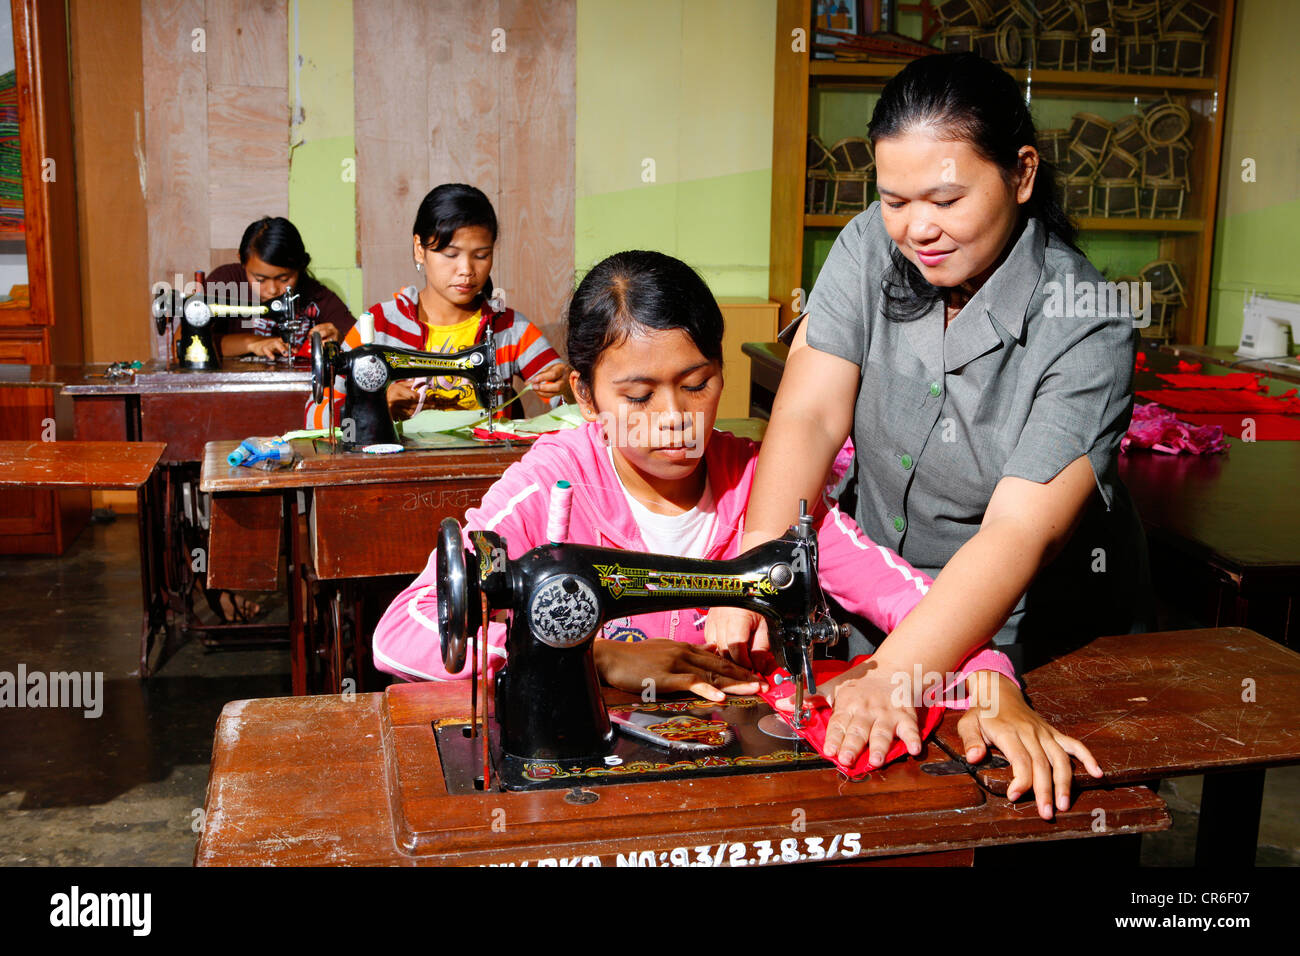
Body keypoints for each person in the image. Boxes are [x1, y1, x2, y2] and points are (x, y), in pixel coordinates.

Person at [370, 250, 1097, 809]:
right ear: (586, 395)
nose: (675, 418)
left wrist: (993, 684)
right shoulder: (550, 487)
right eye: (636, 394)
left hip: (741, 801)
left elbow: (921, 606)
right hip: (586, 800)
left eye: (697, 383)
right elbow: (404, 632)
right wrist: (586, 659)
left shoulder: (766, 486)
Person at [709, 53, 1139, 817]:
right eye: (895, 200)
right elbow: (808, 415)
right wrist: (754, 574)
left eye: (946, 198)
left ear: (1023, 174)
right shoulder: (871, 247)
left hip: (1008, 632)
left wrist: (897, 676)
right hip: (867, 605)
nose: (917, 228)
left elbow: (1017, 534)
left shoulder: (1086, 321)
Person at [305, 184, 568, 428]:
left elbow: (575, 407)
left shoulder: (509, 328)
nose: (466, 270)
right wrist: (370, 407)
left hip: (489, 472)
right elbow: (312, 415)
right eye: (451, 255)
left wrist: (567, 386)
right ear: (420, 249)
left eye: (481, 255)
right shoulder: (380, 325)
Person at [209, 216, 354, 360]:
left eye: (284, 279)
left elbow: (359, 339)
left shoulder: (316, 295)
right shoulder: (226, 283)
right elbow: (195, 340)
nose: (272, 290)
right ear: (242, 261)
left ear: (300, 268)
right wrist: (251, 343)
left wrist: (341, 340)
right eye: (260, 280)